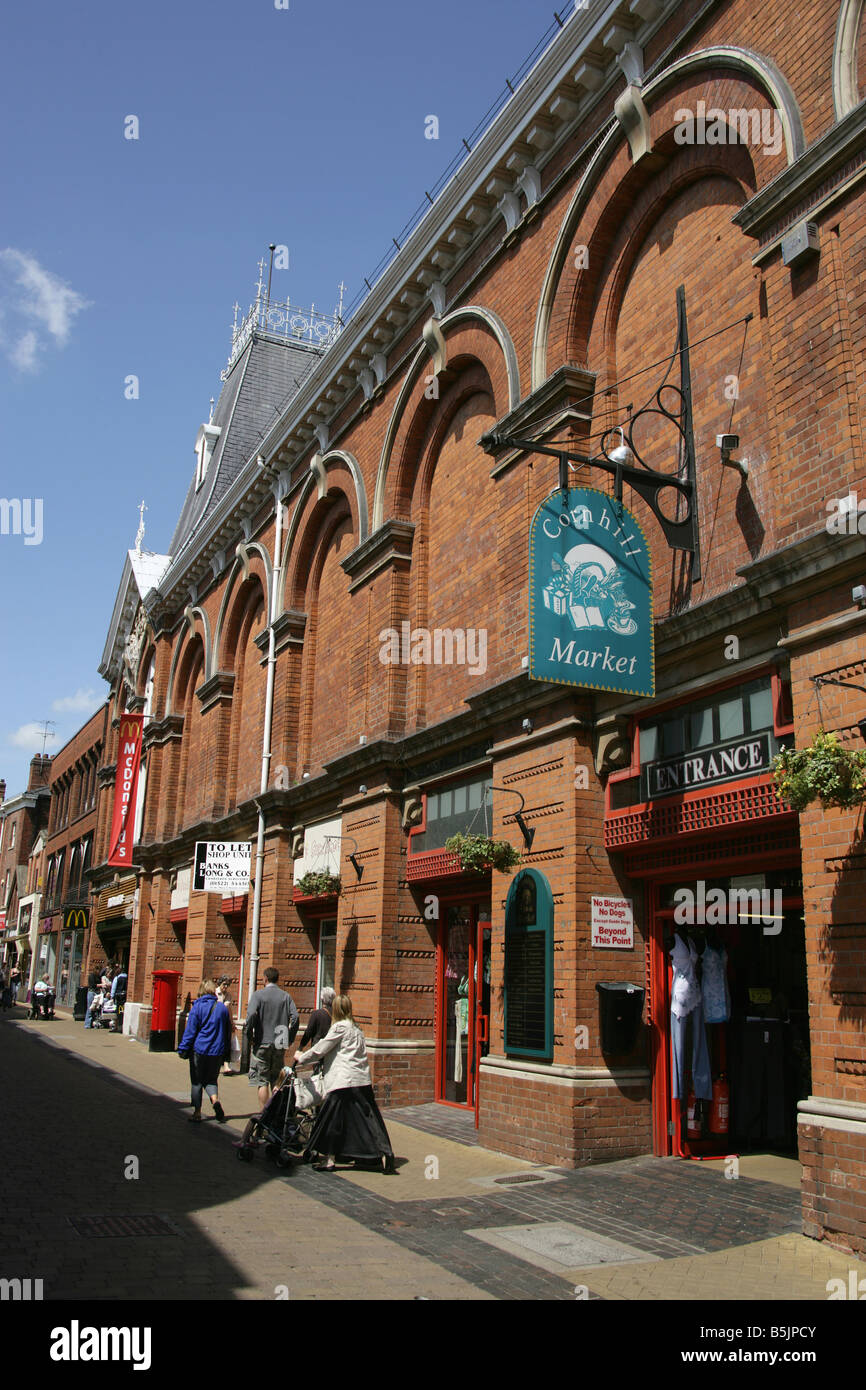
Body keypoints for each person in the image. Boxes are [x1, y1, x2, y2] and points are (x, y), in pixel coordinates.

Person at [294, 993, 395, 1173]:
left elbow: (321, 1049)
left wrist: (302, 1058)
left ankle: (330, 1160)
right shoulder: (357, 1029)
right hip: (361, 1081)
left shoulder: (339, 1028)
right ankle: (380, 1155)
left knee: (332, 1120)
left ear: (336, 1010)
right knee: (367, 1120)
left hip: (343, 1081)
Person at [177, 980, 232, 1123]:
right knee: (212, 1080)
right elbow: (227, 1032)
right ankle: (215, 1101)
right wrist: (227, 1052)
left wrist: (183, 1048)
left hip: (199, 1050)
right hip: (217, 1051)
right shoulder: (222, 1008)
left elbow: (190, 1031)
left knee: (197, 1082)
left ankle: (197, 1112)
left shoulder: (197, 1007)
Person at [245, 967, 299, 1108]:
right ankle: (275, 1111)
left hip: (262, 1041)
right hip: (279, 1042)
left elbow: (250, 1015)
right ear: (277, 979)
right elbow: (295, 1017)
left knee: (262, 1080)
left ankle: (264, 1113)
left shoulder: (258, 995)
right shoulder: (285, 996)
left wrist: (249, 1034)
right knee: (276, 1078)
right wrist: (289, 1037)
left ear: (265, 978)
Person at [215, 977, 238, 1075]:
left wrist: (232, 1023)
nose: (226, 987)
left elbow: (229, 1010)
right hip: (216, 1022)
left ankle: (226, 1066)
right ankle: (215, 1064)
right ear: (219, 984)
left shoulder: (228, 995)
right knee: (216, 1042)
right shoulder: (214, 993)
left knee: (227, 1043)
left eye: (227, 985)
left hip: (225, 1022)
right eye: (224, 984)